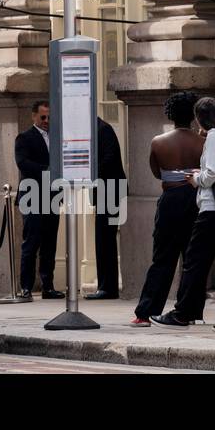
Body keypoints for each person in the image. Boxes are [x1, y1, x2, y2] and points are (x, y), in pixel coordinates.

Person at [151, 97, 215, 332]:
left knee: (195, 261)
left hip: (213, 209)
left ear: (200, 118)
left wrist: (197, 179)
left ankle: (182, 314)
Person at [132, 92, 204, 326]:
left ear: (170, 115)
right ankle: (191, 310)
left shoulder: (158, 142)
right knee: (193, 258)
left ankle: (145, 312)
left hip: (171, 198)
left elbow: (156, 172)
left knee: (162, 257)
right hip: (196, 198)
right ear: (194, 114)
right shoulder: (203, 142)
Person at [14, 100, 63, 300]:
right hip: (32, 195)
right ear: (33, 116)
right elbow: (23, 163)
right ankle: (25, 287)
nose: (46, 121)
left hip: (52, 195)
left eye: (49, 117)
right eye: (42, 117)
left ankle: (47, 286)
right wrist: (48, 172)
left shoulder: (58, 137)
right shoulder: (24, 138)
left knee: (49, 244)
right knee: (31, 243)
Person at [87, 115, 126, 300]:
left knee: (105, 239)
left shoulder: (102, 130)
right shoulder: (98, 129)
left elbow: (108, 160)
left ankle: (107, 287)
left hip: (110, 189)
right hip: (105, 189)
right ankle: (105, 285)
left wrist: (88, 173)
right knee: (103, 239)